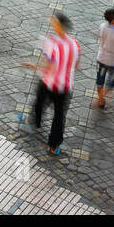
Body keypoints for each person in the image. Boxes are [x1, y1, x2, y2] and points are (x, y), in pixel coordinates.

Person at [23, 12, 80, 154]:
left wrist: (33, 66)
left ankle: (34, 122)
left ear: (59, 25)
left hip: (49, 83)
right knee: (59, 116)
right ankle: (54, 146)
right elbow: (77, 66)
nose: (51, 23)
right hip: (65, 86)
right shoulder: (75, 43)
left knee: (39, 102)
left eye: (54, 22)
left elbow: (48, 67)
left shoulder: (51, 43)